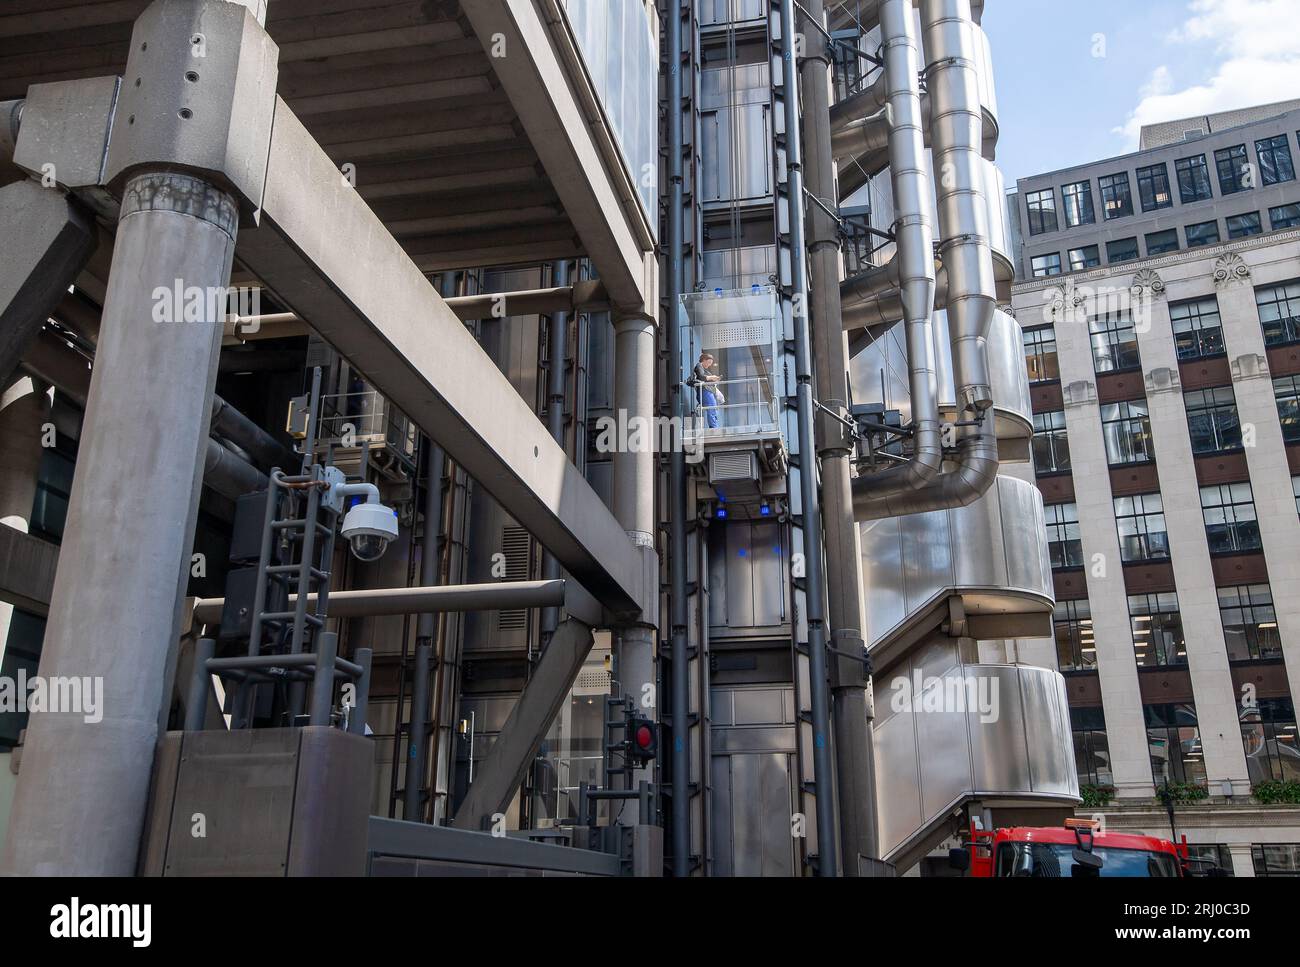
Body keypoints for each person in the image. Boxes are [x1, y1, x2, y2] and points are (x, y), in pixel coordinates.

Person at [690, 352, 724, 429]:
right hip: (705, 391)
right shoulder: (699, 365)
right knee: (712, 409)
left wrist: (714, 379)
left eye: (710, 363)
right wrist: (712, 377)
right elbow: (701, 377)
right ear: (704, 360)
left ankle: (714, 426)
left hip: (708, 391)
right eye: (708, 362)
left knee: (713, 409)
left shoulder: (704, 369)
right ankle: (714, 427)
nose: (709, 365)